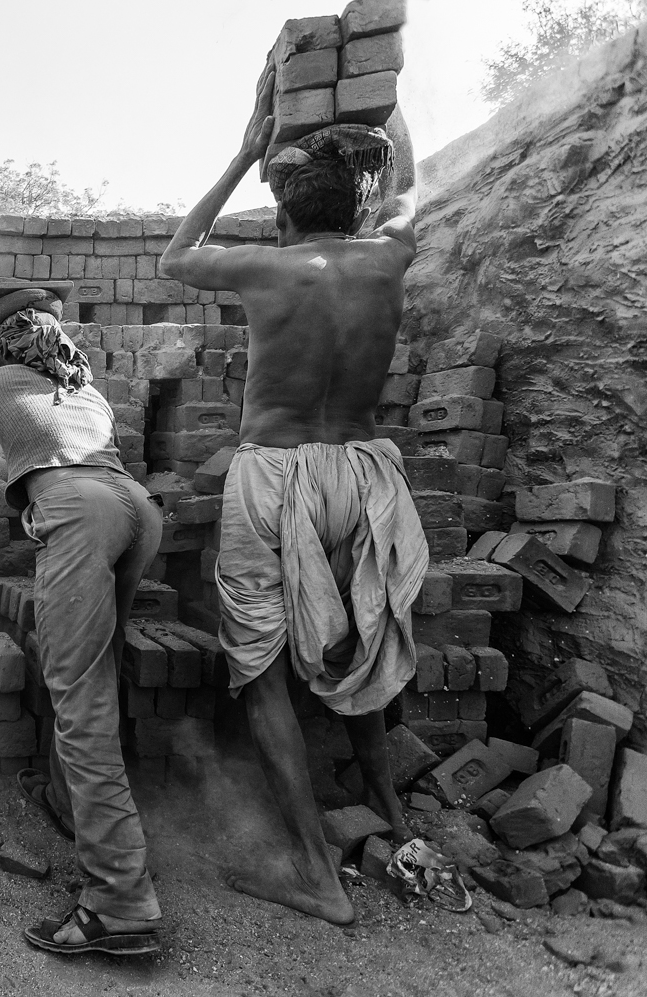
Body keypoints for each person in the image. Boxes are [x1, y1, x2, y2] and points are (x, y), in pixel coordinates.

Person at [159, 71, 428, 925]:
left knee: (261, 665)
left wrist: (245, 149)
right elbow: (412, 188)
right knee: (360, 638)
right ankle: (392, 818)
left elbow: (174, 254)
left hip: (273, 473)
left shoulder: (266, 267)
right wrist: (382, 101)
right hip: (361, 472)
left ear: (284, 210)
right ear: (359, 201)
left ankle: (316, 871)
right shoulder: (388, 255)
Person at [0, 278, 163, 956]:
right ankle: (61, 795)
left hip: (79, 511)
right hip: (137, 510)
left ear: (3, 339)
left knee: (80, 703)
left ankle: (120, 902)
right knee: (93, 669)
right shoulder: (86, 388)